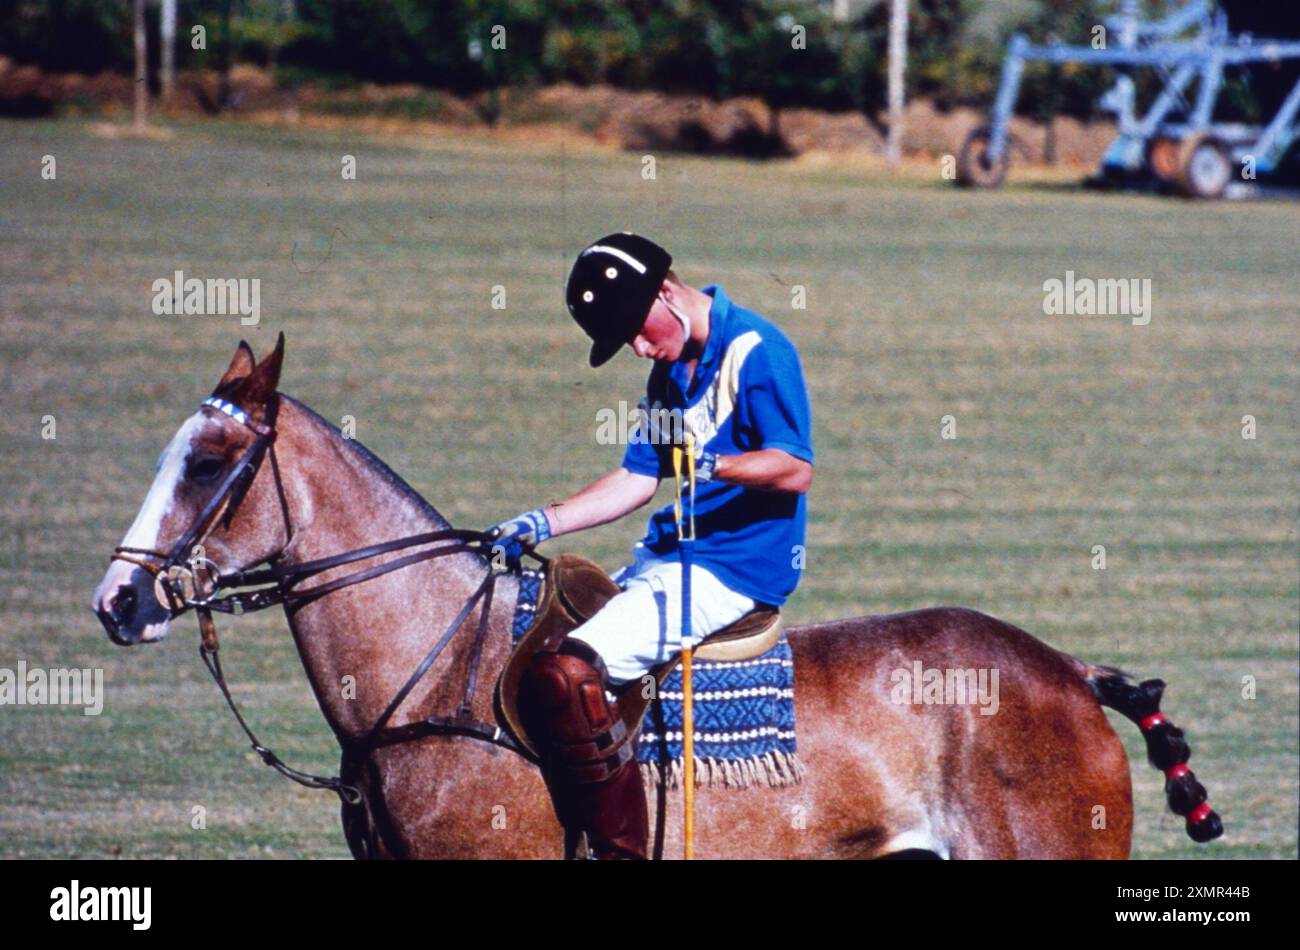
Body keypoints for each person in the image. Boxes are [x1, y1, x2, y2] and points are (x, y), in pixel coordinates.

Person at [486, 232, 814, 859]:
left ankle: (621, 854)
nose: (639, 350)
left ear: (666, 291)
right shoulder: (670, 371)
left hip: (734, 568)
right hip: (669, 557)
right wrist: (541, 521)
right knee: (535, 633)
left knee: (571, 672)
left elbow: (794, 467)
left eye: (637, 332)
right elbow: (640, 476)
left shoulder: (757, 351)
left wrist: (713, 465)